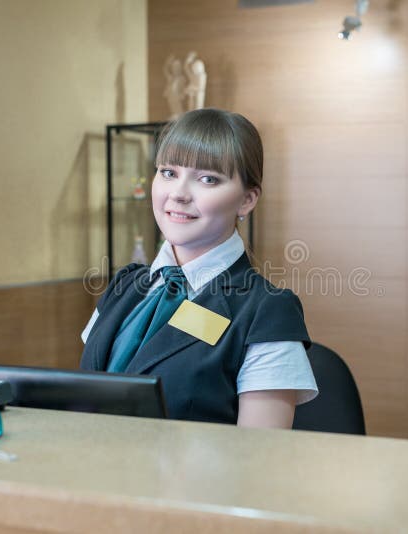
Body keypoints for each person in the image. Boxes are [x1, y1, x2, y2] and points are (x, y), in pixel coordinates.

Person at [80, 108, 317, 429]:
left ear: (247, 200)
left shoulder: (268, 312)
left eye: (208, 179)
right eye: (168, 173)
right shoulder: (124, 286)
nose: (178, 194)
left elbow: (258, 460)